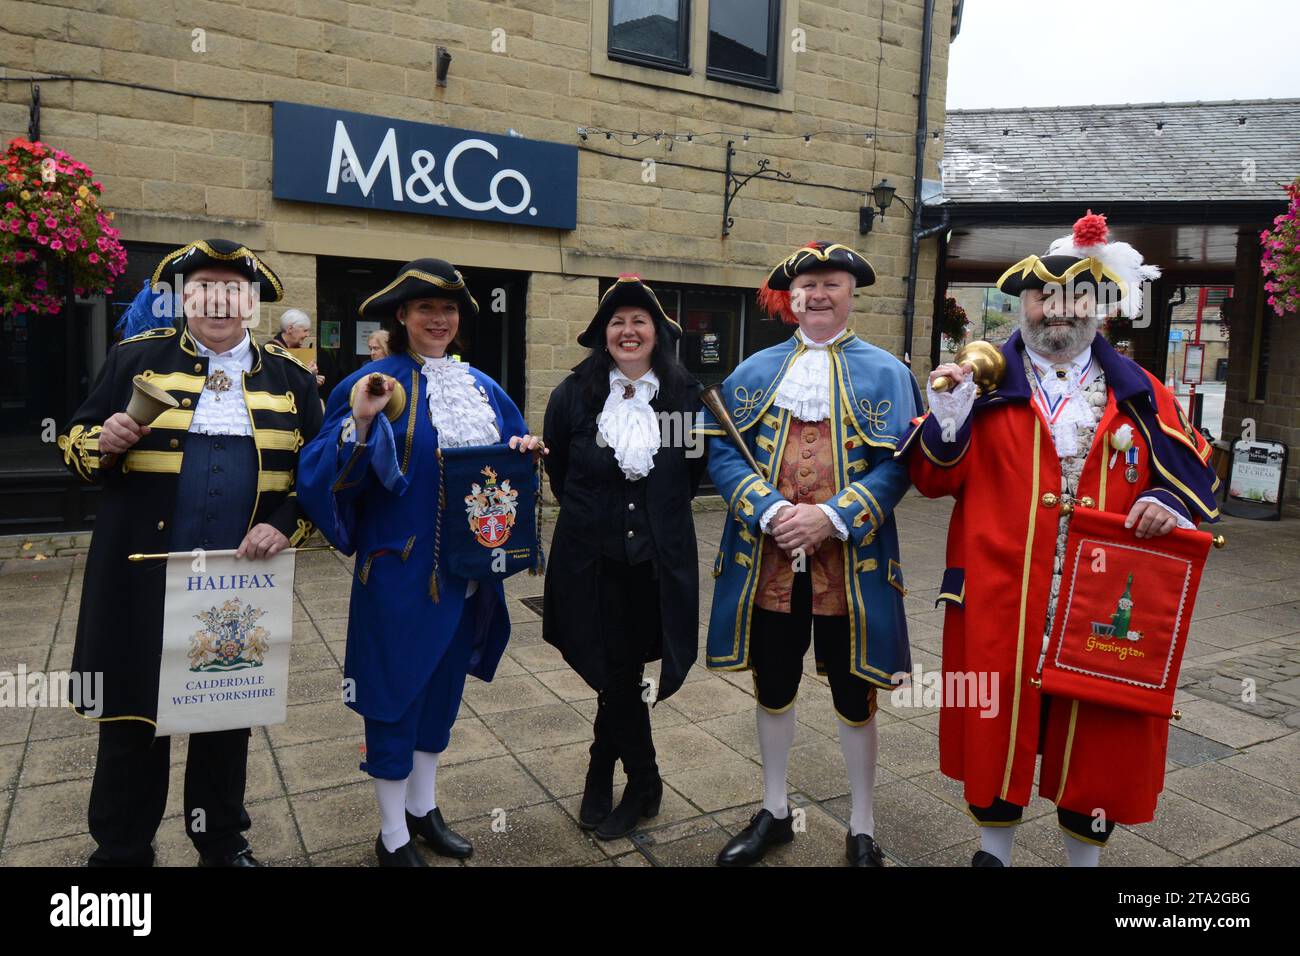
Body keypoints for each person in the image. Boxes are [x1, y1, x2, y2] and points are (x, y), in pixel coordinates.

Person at [897, 212, 1220, 866]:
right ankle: (992, 854)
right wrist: (949, 416)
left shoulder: (1141, 393)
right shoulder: (980, 385)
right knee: (995, 733)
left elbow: (1195, 469)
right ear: (1024, 305)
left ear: (1098, 307)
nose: (1058, 310)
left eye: (1075, 296)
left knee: (1097, 740)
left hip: (1101, 604)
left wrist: (1164, 500)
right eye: (1043, 296)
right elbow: (931, 480)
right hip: (1000, 597)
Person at [57, 238, 321, 867]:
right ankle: (122, 850)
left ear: (251, 302)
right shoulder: (134, 358)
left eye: (233, 289)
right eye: (204, 287)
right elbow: (73, 442)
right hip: (140, 579)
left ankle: (221, 841)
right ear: (184, 297)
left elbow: (317, 478)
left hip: (238, 583)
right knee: (132, 717)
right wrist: (102, 442)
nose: (219, 300)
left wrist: (285, 526)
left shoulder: (290, 377)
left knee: (225, 715)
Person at [296, 257, 542, 867]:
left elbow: (509, 460)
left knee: (441, 692)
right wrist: (361, 422)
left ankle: (422, 809)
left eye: (449, 309)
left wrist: (523, 451)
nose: (438, 318)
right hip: (398, 574)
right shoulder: (373, 381)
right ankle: (392, 835)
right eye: (426, 308)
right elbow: (321, 473)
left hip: (467, 574)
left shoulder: (483, 387)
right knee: (393, 695)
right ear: (402, 314)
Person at [697, 241, 921, 867]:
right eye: (807, 286)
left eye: (832, 284)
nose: (819, 295)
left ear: (851, 294)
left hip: (851, 568)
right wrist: (768, 510)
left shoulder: (888, 373)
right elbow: (722, 451)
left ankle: (862, 825)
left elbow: (901, 464)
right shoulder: (755, 368)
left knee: (855, 695)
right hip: (770, 564)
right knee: (773, 685)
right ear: (790, 298)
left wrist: (832, 516)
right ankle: (773, 811)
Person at [542, 275, 706, 840]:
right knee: (615, 672)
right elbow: (560, 472)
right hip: (593, 559)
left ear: (657, 332)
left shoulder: (685, 397)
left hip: (657, 561)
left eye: (639, 321)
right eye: (617, 322)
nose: (628, 331)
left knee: (626, 673)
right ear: (603, 333)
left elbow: (690, 476)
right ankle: (641, 779)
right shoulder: (572, 395)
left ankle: (608, 774)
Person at [273, 308, 325, 390]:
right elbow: (279, 385)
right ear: (290, 329)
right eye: (305, 330)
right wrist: (307, 374)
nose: (308, 334)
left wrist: (312, 380)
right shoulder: (272, 353)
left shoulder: (294, 349)